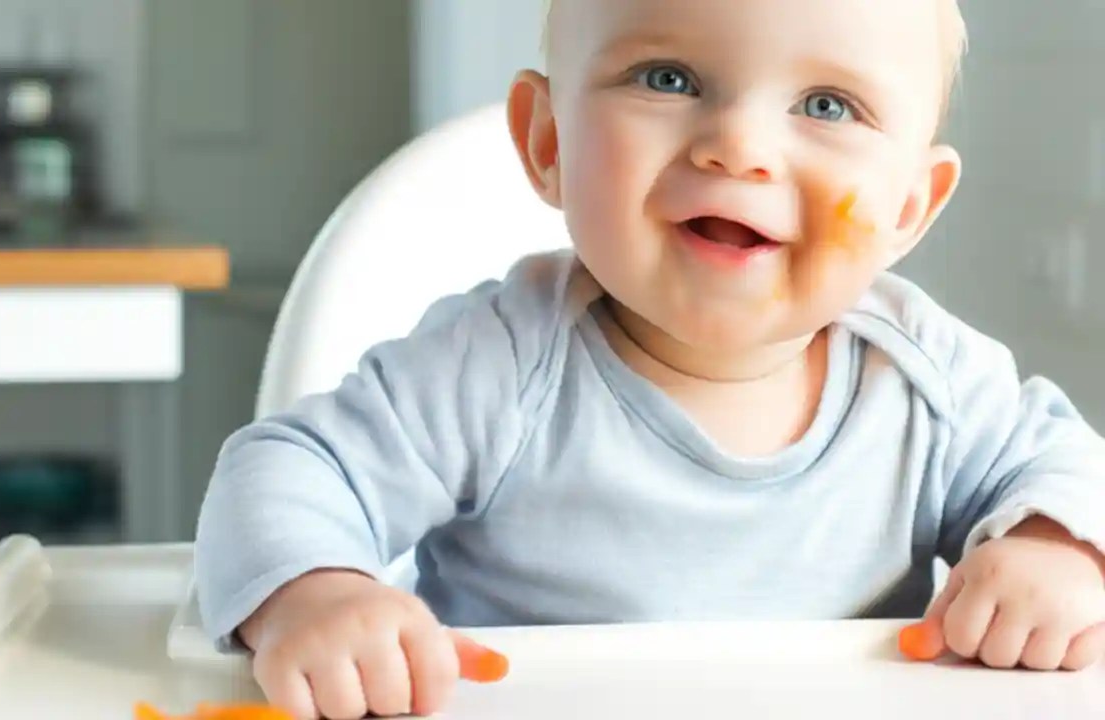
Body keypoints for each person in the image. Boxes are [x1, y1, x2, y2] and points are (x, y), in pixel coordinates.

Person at [195, 1, 1105, 717]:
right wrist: (313, 596)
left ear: (909, 205)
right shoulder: (497, 367)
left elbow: (1068, 468)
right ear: (549, 142)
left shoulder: (927, 383)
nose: (740, 146)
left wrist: (1053, 547)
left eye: (827, 105)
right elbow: (285, 469)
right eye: (668, 78)